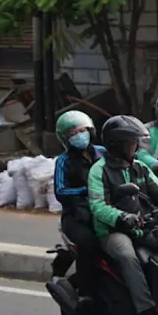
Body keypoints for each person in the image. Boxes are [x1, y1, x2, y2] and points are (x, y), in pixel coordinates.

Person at [89, 115, 158, 315]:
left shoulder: (139, 167)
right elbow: (98, 206)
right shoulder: (99, 170)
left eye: (136, 142)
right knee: (128, 256)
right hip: (113, 231)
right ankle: (145, 310)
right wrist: (123, 217)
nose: (135, 146)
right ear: (116, 144)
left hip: (144, 225)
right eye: (131, 142)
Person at [52, 110, 106, 295]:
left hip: (105, 210)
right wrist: (85, 191)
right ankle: (85, 293)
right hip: (77, 216)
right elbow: (60, 191)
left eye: (82, 131)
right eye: (73, 134)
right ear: (65, 139)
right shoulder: (64, 161)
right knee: (88, 243)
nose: (79, 136)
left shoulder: (103, 153)